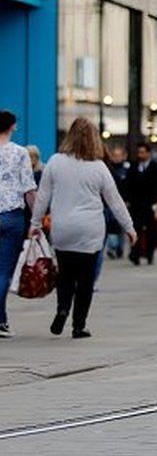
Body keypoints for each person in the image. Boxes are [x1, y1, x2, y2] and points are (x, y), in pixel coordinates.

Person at [30, 118, 136, 339]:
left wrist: (35, 224)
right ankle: (79, 326)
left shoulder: (55, 162)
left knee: (65, 274)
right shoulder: (99, 167)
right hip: (90, 229)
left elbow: (42, 197)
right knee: (86, 279)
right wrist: (129, 227)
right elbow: (115, 201)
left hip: (62, 228)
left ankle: (62, 309)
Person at [0, 111, 37, 338]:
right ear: (12, 126)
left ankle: (1, 320)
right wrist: (37, 219)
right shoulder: (20, 153)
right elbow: (29, 189)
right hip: (11, 217)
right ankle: (0, 321)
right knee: (4, 271)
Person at [126, 142, 157, 265]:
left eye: (143, 152)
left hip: (151, 204)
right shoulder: (133, 167)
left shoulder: (156, 167)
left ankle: (149, 253)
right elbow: (128, 184)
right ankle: (135, 253)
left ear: (149, 153)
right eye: (139, 152)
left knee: (151, 231)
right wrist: (128, 199)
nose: (140, 155)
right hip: (136, 204)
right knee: (135, 229)